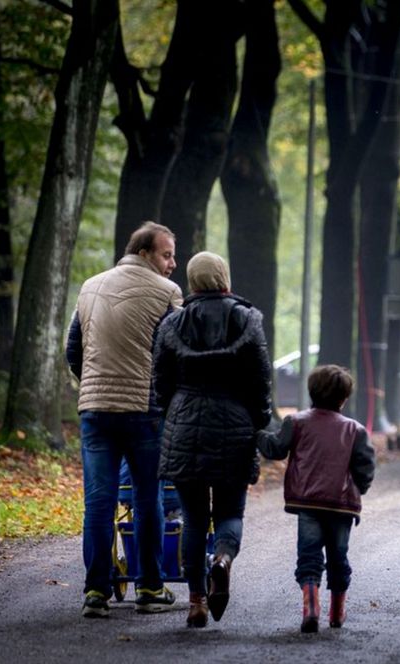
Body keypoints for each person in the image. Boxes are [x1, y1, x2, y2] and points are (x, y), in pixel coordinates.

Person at [66, 221, 182, 618]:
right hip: (144, 413)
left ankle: (95, 593)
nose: (172, 263)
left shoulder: (90, 286)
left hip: (95, 412)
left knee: (98, 501)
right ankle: (150, 587)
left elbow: (73, 349)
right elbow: (174, 355)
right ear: (146, 253)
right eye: (167, 255)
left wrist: (95, 386)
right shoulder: (168, 294)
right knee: (148, 497)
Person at [152, 251, 272, 628]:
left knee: (193, 517)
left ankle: (197, 602)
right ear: (224, 277)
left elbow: (161, 382)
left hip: (186, 424)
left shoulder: (173, 323)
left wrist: (175, 412)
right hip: (234, 425)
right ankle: (221, 559)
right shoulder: (248, 321)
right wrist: (260, 421)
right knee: (230, 513)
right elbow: (260, 381)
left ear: (192, 281)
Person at [257, 365, 376, 633]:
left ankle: (311, 607)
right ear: (344, 398)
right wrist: (360, 488)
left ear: (311, 392)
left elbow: (275, 448)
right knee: (338, 557)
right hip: (342, 505)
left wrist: (258, 433)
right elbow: (365, 467)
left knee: (309, 556)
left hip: (307, 503)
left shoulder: (296, 422)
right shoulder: (355, 430)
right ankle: (336, 612)